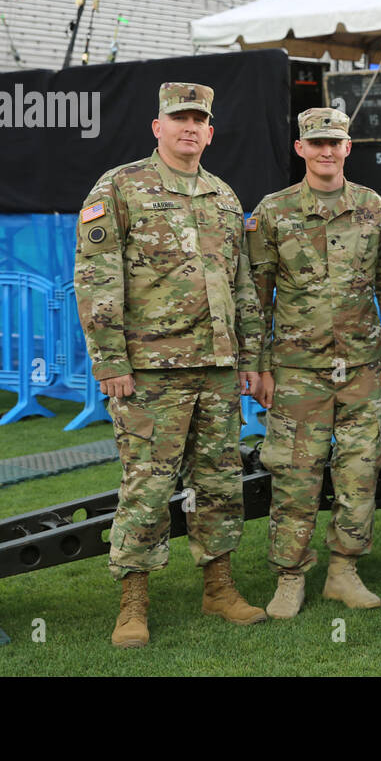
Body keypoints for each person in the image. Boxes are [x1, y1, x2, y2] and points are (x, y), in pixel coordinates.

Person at [75, 82, 267, 648]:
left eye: (199, 120)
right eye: (178, 118)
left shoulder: (224, 197)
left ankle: (219, 588)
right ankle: (133, 603)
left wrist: (250, 358)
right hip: (151, 369)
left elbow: (242, 285)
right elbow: (96, 277)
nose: (189, 127)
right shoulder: (120, 187)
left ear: (210, 131)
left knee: (220, 482)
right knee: (148, 486)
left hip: (218, 367)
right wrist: (111, 360)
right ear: (157, 127)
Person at [246, 107, 381, 619]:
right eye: (316, 142)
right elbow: (257, 296)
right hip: (297, 371)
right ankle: (290, 576)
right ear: (300, 149)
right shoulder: (273, 211)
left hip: (360, 367)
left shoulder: (371, 206)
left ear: (347, 147)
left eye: (334, 142)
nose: (325, 150)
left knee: (360, 472)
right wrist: (260, 364)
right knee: (295, 473)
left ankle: (344, 570)